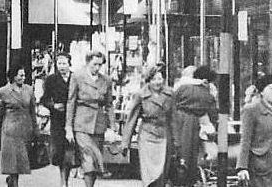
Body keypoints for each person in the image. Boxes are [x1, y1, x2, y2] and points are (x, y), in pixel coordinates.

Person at [66, 50, 113, 187]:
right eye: (94, 64)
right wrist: (68, 127)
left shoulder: (106, 80)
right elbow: (71, 102)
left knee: (94, 162)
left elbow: (109, 105)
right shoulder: (77, 77)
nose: (97, 68)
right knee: (88, 159)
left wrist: (112, 128)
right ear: (87, 63)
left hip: (98, 124)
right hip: (82, 124)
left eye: (100, 65)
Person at [121, 63, 174, 187]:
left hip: (163, 135)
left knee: (162, 171)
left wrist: (177, 141)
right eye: (154, 79)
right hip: (147, 135)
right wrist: (125, 142)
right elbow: (132, 120)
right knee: (149, 172)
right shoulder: (140, 95)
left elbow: (174, 118)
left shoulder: (170, 94)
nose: (157, 82)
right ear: (148, 80)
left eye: (160, 79)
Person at [237, 73, 272, 187]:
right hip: (263, 169)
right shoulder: (252, 110)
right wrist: (242, 167)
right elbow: (245, 140)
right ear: (262, 92)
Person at [0, 65, 37, 187]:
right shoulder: (2, 92)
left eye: (24, 75)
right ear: (14, 77)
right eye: (21, 75)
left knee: (20, 162)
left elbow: (33, 112)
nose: (24, 77)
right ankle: (14, 183)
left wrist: (36, 130)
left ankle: (12, 180)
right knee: (12, 162)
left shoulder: (29, 90)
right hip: (9, 131)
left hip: (25, 130)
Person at [172, 65, 218, 187]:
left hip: (179, 121)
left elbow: (172, 104)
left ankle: (178, 179)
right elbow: (212, 112)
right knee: (193, 154)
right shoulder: (207, 93)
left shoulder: (182, 88)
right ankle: (190, 179)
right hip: (197, 123)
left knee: (181, 152)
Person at [41, 52, 74, 187]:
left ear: (69, 64)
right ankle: (63, 181)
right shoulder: (51, 79)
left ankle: (66, 178)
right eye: (59, 63)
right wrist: (53, 106)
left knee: (71, 150)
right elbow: (44, 99)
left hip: (73, 118)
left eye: (64, 63)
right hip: (58, 120)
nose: (61, 66)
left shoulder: (75, 78)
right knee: (60, 151)